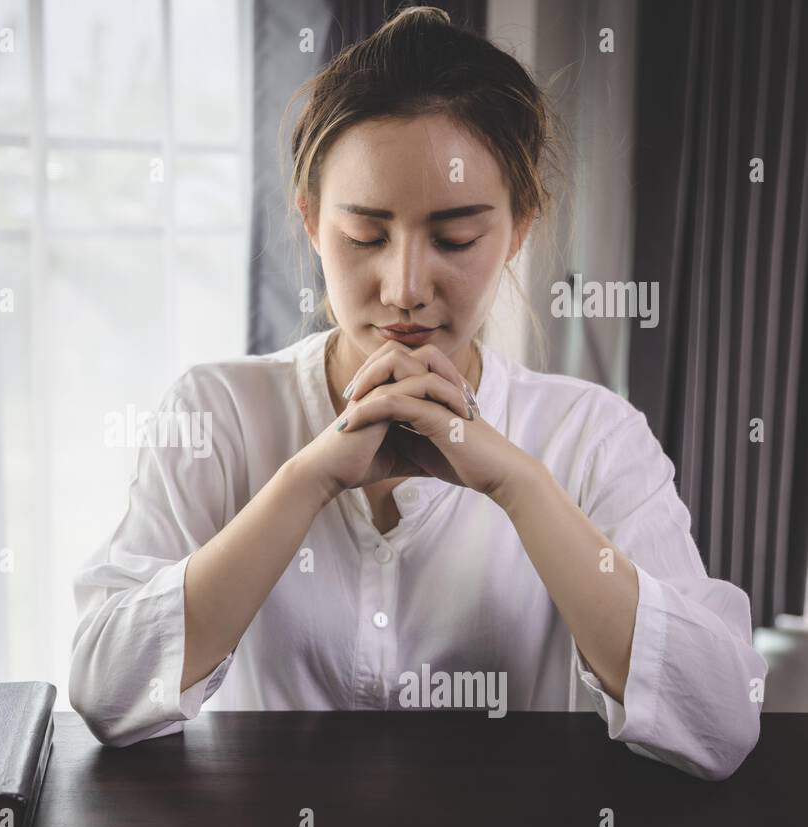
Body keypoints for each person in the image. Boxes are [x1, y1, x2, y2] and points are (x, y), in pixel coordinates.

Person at [69, 6, 766, 781]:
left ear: (519, 229)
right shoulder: (217, 414)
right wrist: (308, 478)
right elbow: (106, 691)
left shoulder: (590, 435)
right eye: (366, 236)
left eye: (456, 238)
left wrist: (518, 483)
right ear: (308, 219)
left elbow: (723, 719)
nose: (403, 288)